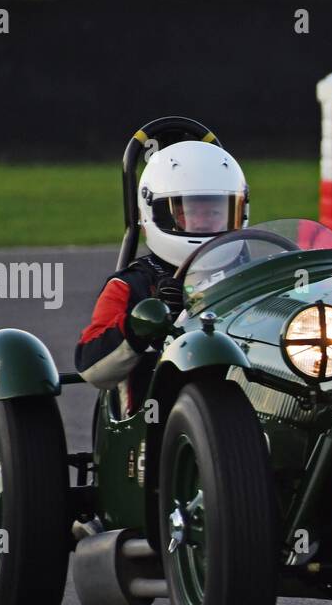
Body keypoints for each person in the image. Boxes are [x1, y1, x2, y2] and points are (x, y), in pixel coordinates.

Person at [75, 140, 249, 411]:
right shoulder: (130, 285)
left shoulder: (251, 273)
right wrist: (143, 326)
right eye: (189, 212)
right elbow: (90, 367)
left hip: (245, 407)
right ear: (155, 214)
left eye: (215, 212)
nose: (203, 221)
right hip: (157, 420)